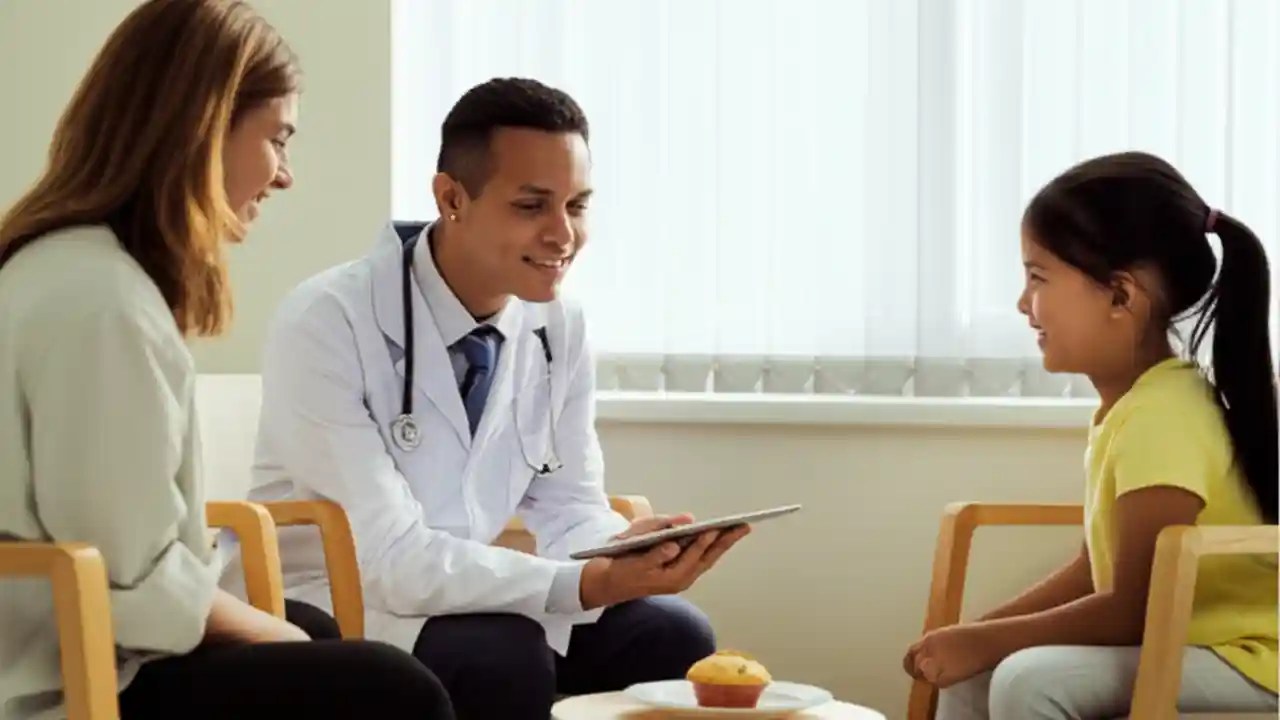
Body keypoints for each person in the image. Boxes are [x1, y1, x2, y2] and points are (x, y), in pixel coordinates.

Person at [240, 76, 748, 718]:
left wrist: (622, 551)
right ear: (452, 198)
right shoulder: (326, 319)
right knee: (500, 654)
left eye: (578, 205)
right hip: (335, 593)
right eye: (532, 206)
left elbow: (569, 505)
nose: (564, 235)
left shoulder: (559, 325)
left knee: (672, 632)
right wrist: (586, 582)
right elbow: (390, 557)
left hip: (467, 589)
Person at [0, 2, 453, 718]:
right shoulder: (105, 302)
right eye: (278, 139)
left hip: (75, 638)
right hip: (76, 673)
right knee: (397, 689)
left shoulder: (58, 269)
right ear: (203, 126)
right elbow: (136, 588)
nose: (284, 176)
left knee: (322, 636)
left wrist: (285, 636)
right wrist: (276, 637)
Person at [903, 151, 1279, 719]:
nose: (1023, 303)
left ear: (1121, 297)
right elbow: (1091, 571)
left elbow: (1132, 608)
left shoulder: (1164, 416)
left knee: (1030, 681)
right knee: (981, 672)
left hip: (1246, 659)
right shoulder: (1133, 409)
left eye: (1037, 277)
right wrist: (978, 634)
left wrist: (990, 641)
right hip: (1184, 642)